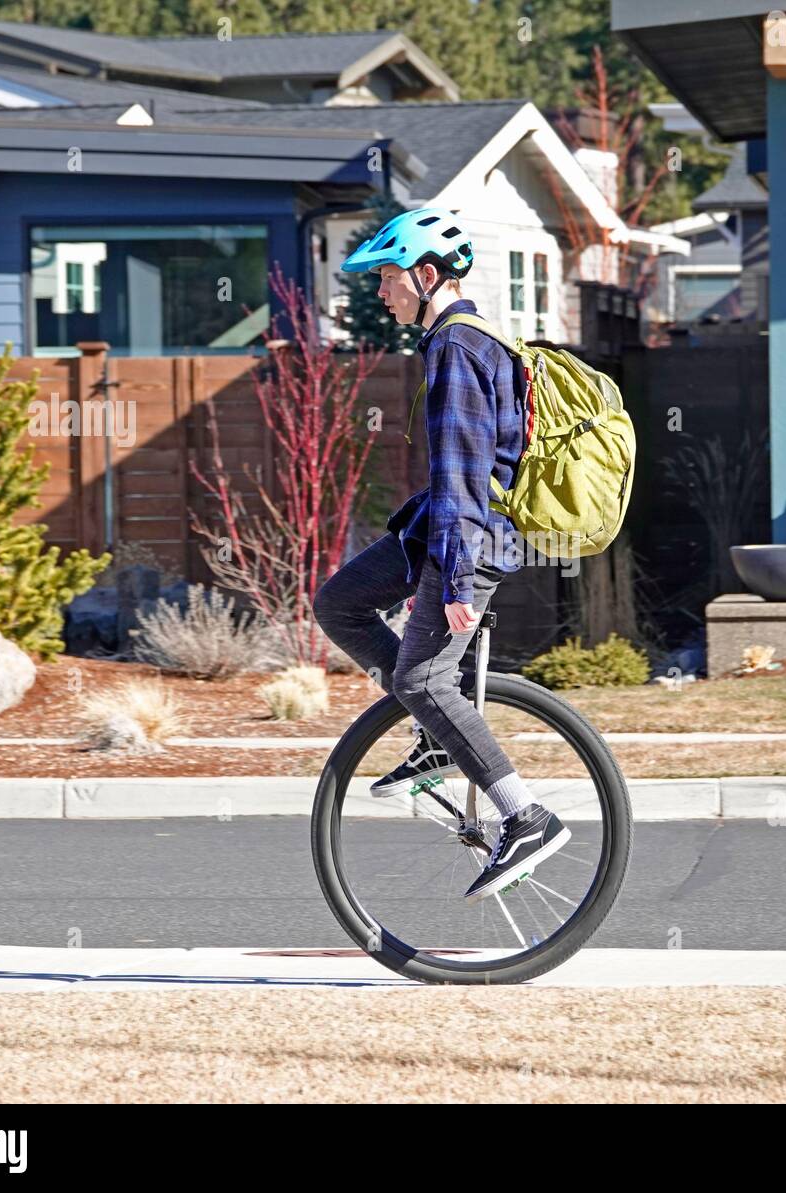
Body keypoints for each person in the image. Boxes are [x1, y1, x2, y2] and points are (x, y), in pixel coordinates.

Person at [313, 205, 570, 904]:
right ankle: (434, 736)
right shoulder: (456, 340)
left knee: (426, 680)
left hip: (466, 542)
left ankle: (526, 815)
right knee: (338, 602)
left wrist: (456, 580)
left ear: (427, 275)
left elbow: (463, 475)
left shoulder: (458, 347)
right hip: (437, 531)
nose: (382, 293)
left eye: (389, 279)